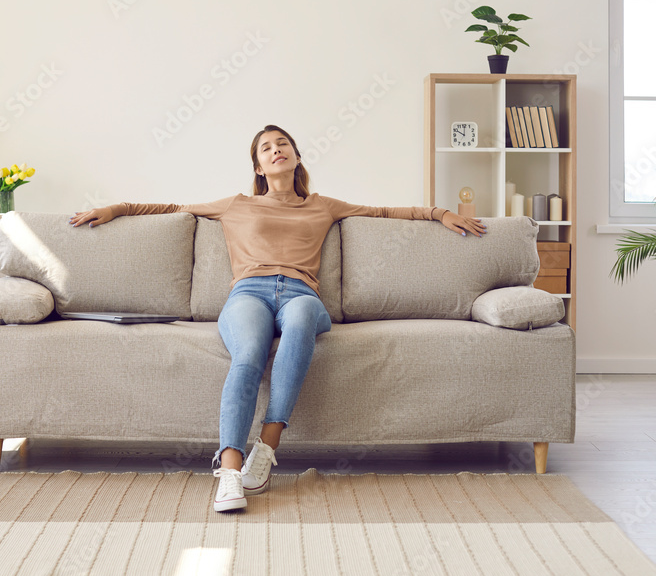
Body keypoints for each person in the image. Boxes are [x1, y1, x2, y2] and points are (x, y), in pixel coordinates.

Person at [70, 124, 485, 513]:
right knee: (249, 354)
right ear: (258, 167)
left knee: (301, 320)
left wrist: (439, 214)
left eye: (282, 143)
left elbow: (382, 212)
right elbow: (173, 208)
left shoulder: (323, 206)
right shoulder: (237, 205)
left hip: (302, 295)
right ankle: (229, 472)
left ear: (297, 156)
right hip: (248, 294)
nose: (276, 150)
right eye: (266, 148)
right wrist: (116, 208)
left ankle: (266, 448)